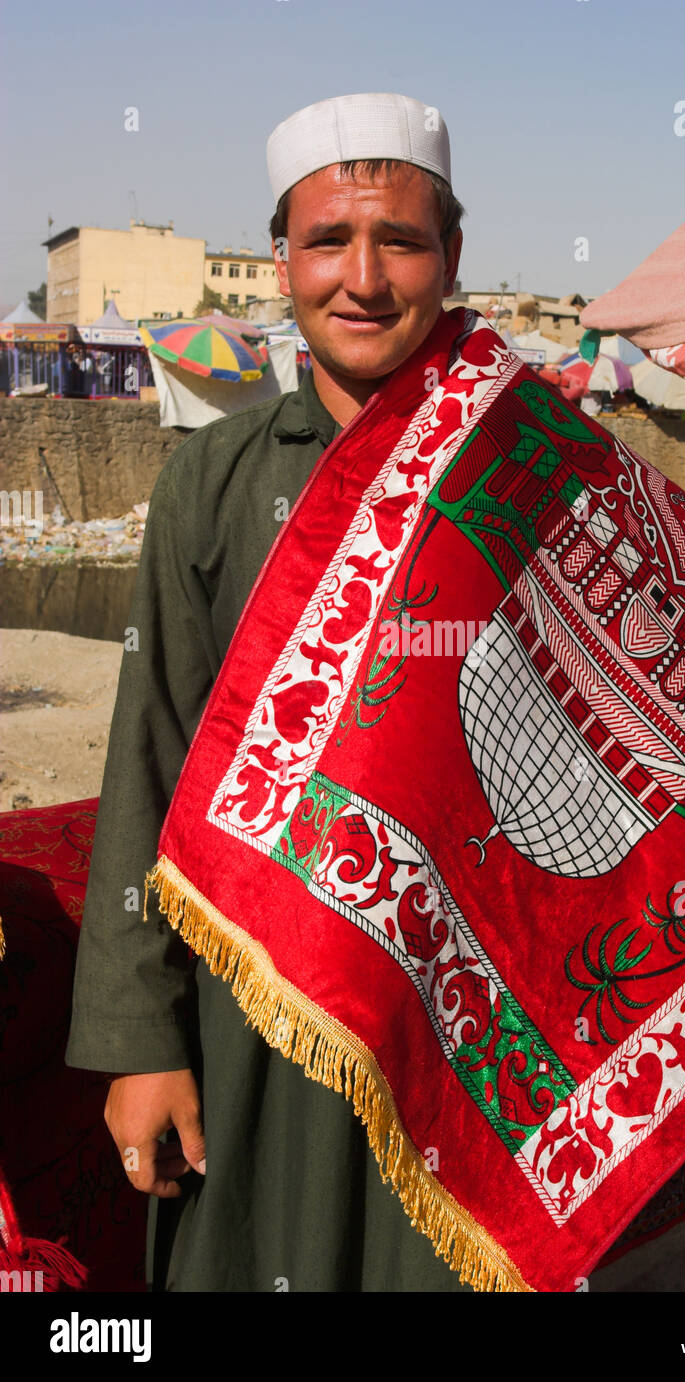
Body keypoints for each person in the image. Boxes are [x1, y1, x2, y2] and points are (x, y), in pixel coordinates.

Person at [66, 92, 473, 1292]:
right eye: (327, 240)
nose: (362, 276)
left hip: (462, 1033)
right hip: (253, 1017)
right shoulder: (216, 478)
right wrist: (142, 1039)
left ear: (450, 256)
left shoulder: (520, 467)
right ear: (283, 258)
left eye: (398, 240)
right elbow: (151, 750)